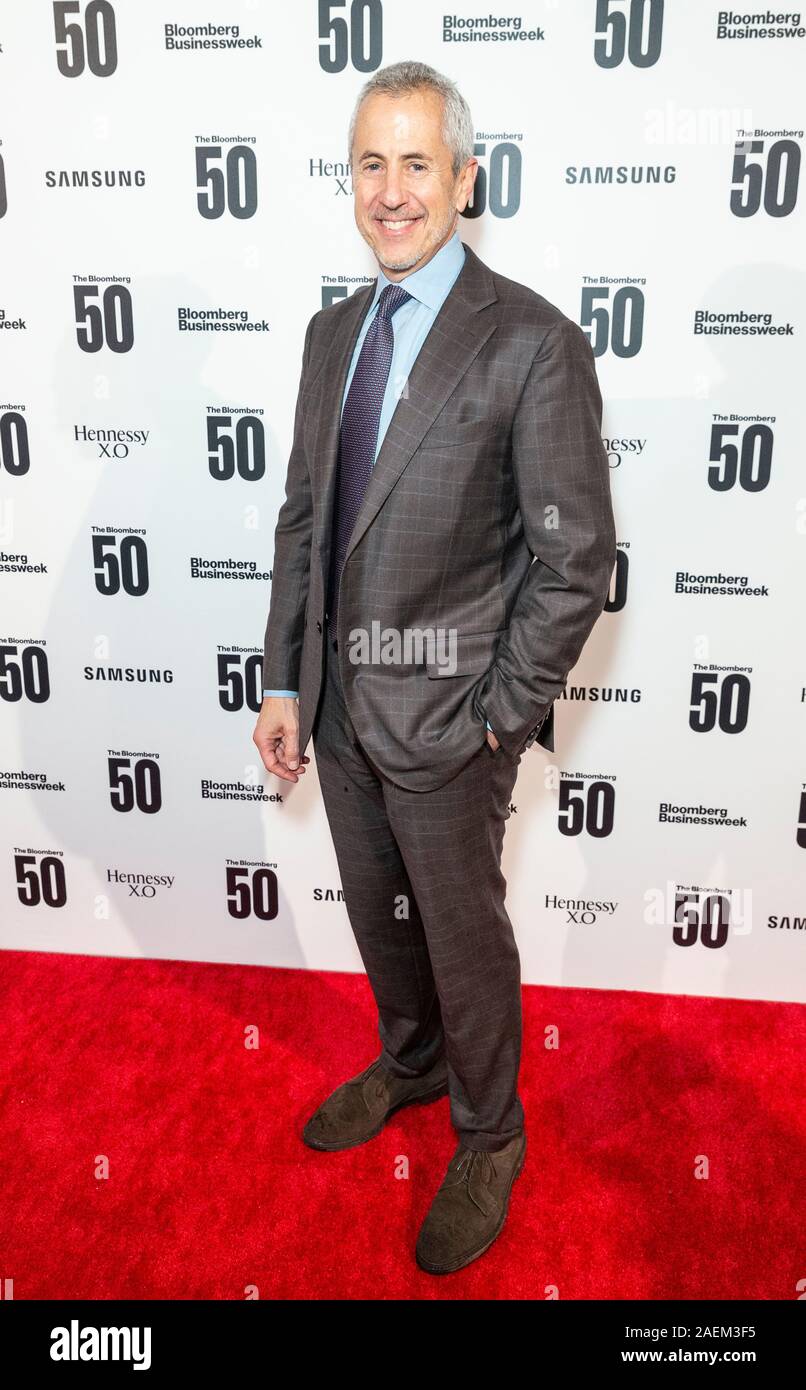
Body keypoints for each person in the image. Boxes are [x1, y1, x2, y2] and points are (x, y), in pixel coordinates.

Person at [253, 59, 616, 1275]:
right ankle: (407, 1066)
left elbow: (574, 564)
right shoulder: (328, 335)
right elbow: (305, 518)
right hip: (340, 711)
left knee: (465, 942)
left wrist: (494, 721)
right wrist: (284, 680)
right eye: (370, 163)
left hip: (451, 726)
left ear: (465, 178)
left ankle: (490, 1130)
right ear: (348, 180)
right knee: (378, 921)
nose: (391, 191)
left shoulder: (530, 343)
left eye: (417, 163)